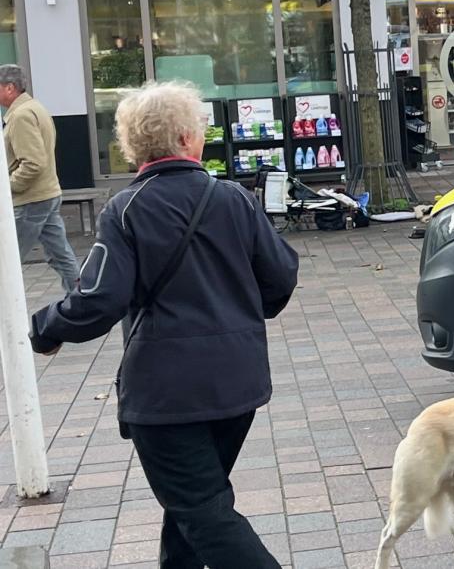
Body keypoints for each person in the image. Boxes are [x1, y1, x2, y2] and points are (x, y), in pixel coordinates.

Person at [29, 81, 299, 567]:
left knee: (202, 510)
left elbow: (98, 300)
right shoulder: (234, 198)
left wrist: (43, 329)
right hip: (237, 385)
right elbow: (280, 278)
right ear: (184, 138)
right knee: (195, 506)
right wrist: (236, 314)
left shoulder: (127, 209)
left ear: (135, 145)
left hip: (167, 393)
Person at [1, 64, 79, 293]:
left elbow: (33, 163)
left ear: (9, 88)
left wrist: (8, 187)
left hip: (30, 199)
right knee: (60, 255)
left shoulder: (21, 115)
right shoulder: (35, 107)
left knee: (7, 260)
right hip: (46, 193)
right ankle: (81, 300)